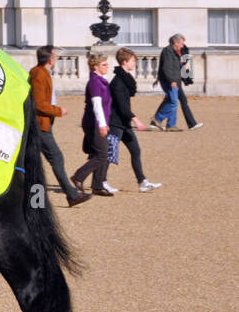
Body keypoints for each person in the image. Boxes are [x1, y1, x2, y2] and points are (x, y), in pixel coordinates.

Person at [28, 46, 90, 207]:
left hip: (42, 123)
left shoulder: (41, 73)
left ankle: (36, 200)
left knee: (34, 162)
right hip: (39, 124)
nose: (55, 59)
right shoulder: (39, 73)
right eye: (54, 56)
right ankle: (71, 194)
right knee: (56, 157)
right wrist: (58, 110)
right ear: (50, 59)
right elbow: (39, 103)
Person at [108, 47, 162, 193]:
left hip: (124, 123)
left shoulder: (126, 79)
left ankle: (142, 181)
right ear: (125, 62)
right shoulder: (118, 82)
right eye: (133, 61)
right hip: (115, 122)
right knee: (108, 154)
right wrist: (136, 120)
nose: (135, 63)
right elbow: (122, 106)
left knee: (135, 151)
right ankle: (100, 181)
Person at [71, 53, 115, 196]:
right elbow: (97, 105)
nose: (107, 66)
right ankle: (78, 176)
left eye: (107, 64)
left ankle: (97, 185)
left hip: (99, 122)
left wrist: (105, 123)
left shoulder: (101, 81)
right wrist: (102, 124)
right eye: (104, 64)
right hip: (94, 123)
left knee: (101, 152)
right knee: (102, 154)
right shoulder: (95, 82)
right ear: (95, 66)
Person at [151, 33, 200, 131]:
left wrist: (183, 74)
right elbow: (166, 68)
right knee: (173, 102)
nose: (183, 46)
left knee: (172, 101)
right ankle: (157, 119)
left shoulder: (175, 51)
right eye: (181, 43)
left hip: (175, 80)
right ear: (176, 42)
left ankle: (171, 125)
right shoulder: (168, 51)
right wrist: (172, 81)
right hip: (169, 81)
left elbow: (174, 67)